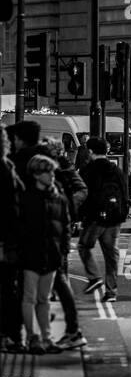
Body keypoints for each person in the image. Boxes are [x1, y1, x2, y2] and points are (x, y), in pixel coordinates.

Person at [9, 122, 87, 346]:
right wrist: (64, 215)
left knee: (24, 291)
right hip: (51, 237)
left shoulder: (21, 161)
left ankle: (24, 335)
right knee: (53, 287)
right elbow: (81, 188)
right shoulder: (54, 158)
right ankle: (65, 331)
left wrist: (62, 213)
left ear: (20, 139)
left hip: (34, 240)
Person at [19, 154, 69, 354]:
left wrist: (63, 250)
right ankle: (33, 337)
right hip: (31, 254)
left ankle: (46, 338)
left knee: (44, 298)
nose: (51, 176)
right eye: (47, 172)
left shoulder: (59, 198)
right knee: (30, 298)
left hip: (51, 254)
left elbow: (65, 227)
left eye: (52, 171)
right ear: (36, 174)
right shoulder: (26, 198)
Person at [79, 137, 129, 303]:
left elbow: (84, 195)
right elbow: (124, 192)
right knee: (111, 254)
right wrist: (122, 213)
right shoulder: (116, 170)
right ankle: (111, 292)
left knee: (84, 246)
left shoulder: (87, 170)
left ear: (91, 151)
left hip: (95, 218)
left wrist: (80, 217)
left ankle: (94, 277)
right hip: (114, 218)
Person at [0, 124, 24, 351]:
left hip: (6, 240)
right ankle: (14, 334)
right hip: (10, 239)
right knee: (9, 288)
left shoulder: (6, 168)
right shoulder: (8, 167)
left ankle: (11, 335)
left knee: (7, 288)